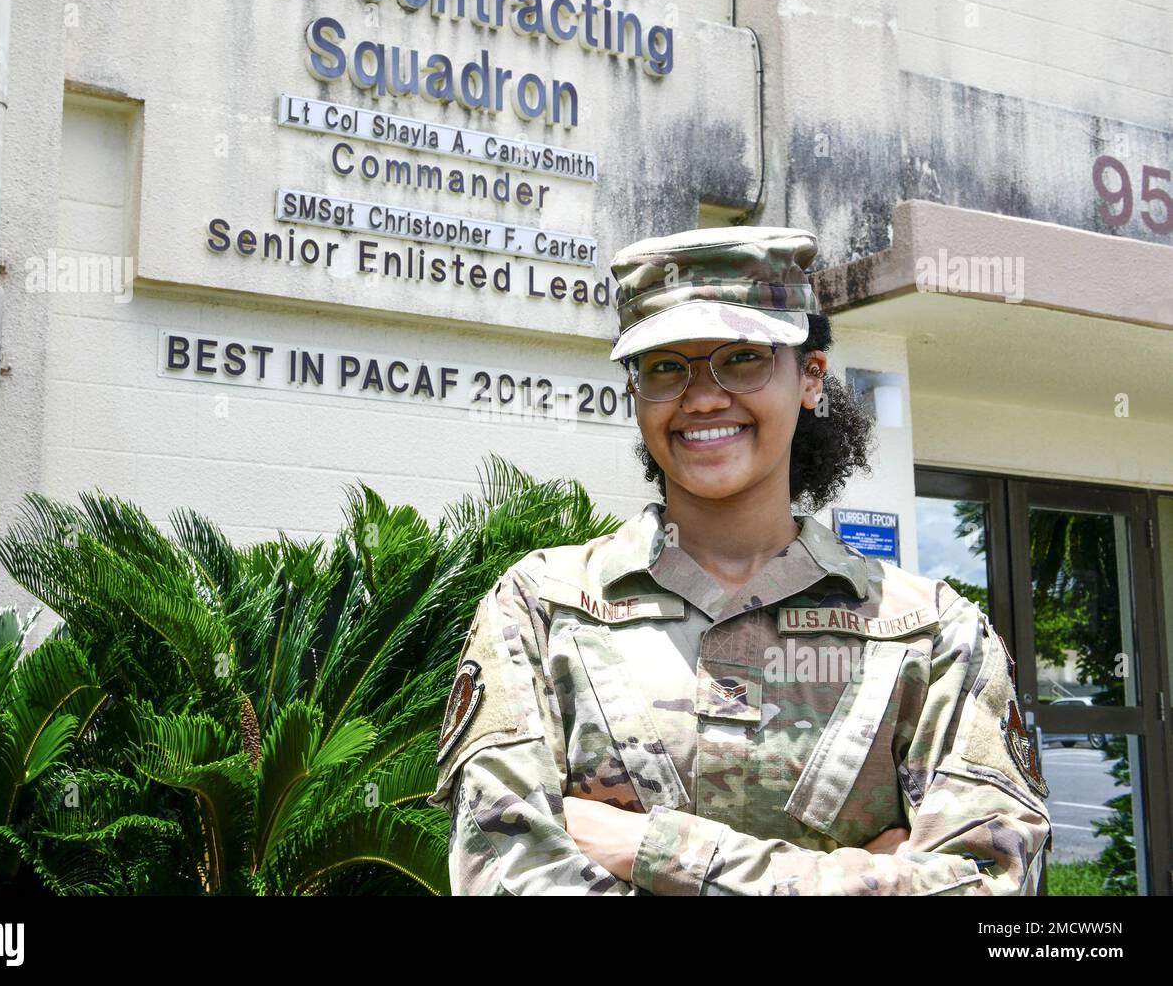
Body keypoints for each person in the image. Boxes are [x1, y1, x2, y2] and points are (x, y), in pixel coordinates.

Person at [425, 226, 1052, 895]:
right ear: (635, 391)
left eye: (744, 357)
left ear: (810, 377)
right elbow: (505, 875)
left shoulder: (931, 636)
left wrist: (654, 849)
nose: (701, 397)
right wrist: (870, 872)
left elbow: (992, 884)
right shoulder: (541, 609)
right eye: (665, 365)